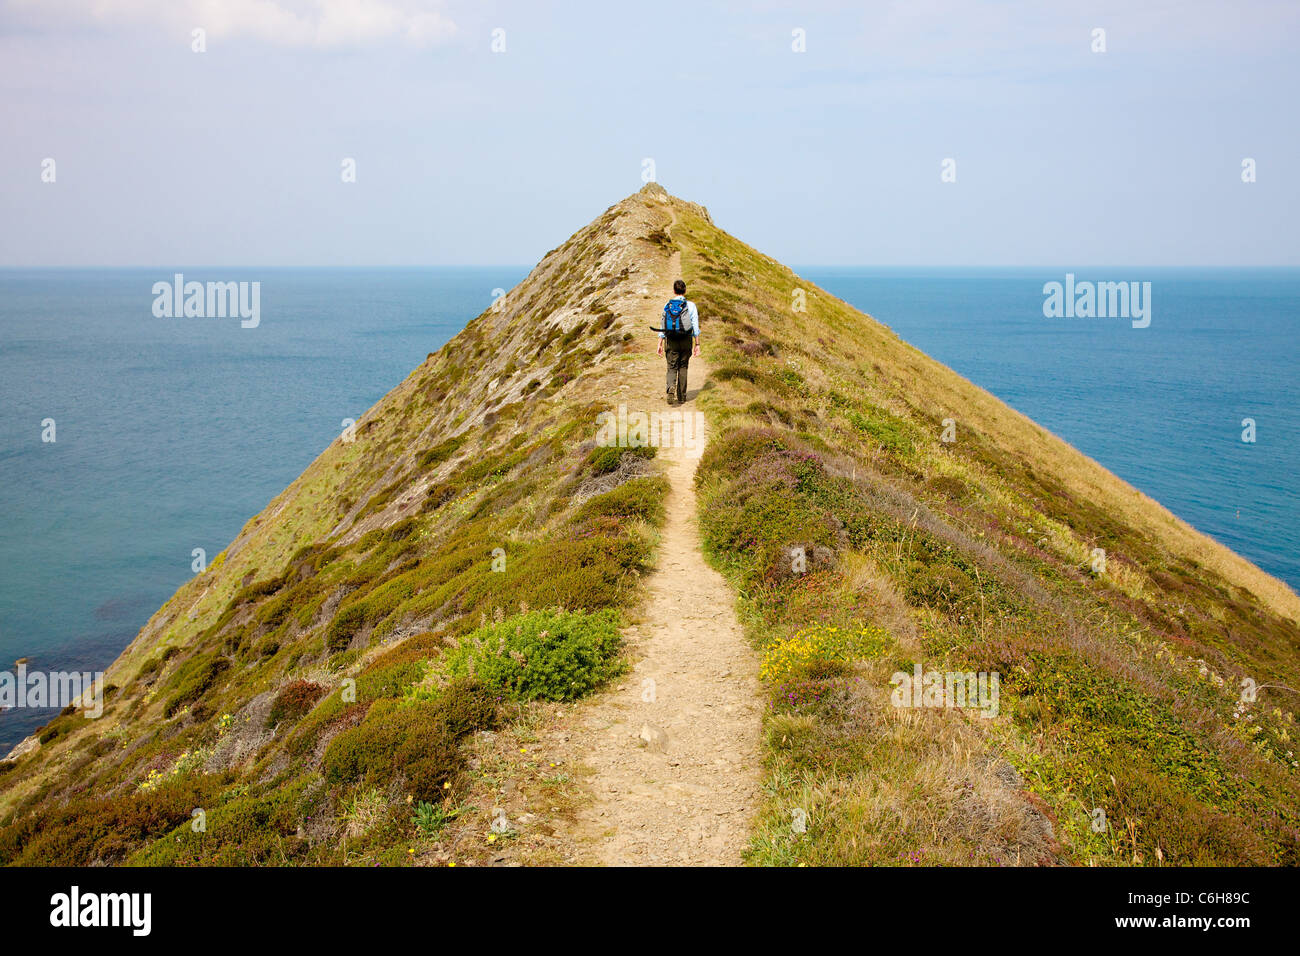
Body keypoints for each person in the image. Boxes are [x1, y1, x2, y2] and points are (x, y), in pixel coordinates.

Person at [657, 279, 700, 405]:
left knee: (671, 366)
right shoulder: (691, 306)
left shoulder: (667, 305)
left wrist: (660, 343)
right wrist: (697, 344)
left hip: (671, 340)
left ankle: (671, 386)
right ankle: (682, 396)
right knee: (683, 366)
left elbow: (663, 325)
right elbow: (695, 327)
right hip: (686, 340)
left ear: (674, 291)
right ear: (685, 290)